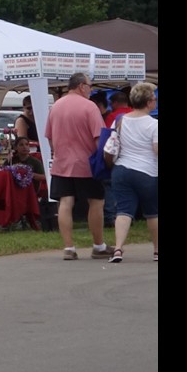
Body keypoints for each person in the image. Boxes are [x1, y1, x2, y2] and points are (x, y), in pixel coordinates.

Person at [44, 71, 109, 259]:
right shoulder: (89, 107)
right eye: (89, 86)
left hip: (61, 163)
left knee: (65, 202)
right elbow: (99, 138)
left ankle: (69, 248)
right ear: (82, 86)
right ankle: (98, 245)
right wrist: (103, 161)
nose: (90, 90)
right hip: (86, 163)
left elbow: (49, 138)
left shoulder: (55, 106)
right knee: (96, 201)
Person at [106, 82, 158, 262]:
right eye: (154, 98)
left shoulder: (121, 120)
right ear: (149, 102)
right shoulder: (153, 124)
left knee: (123, 211)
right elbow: (156, 150)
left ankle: (118, 248)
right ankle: (157, 251)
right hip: (147, 172)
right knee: (152, 212)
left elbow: (113, 143)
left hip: (121, 169)